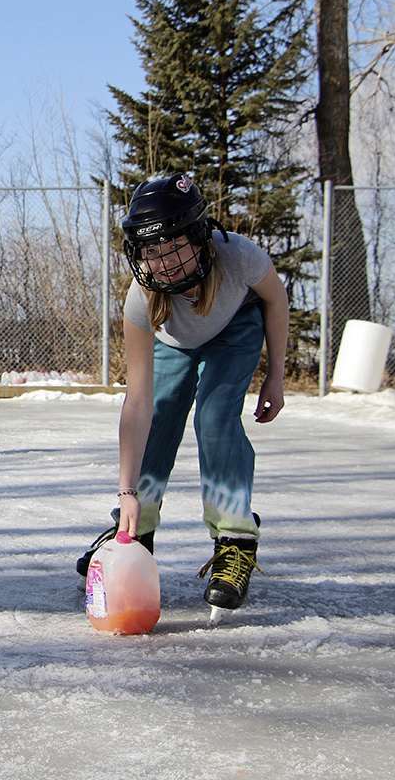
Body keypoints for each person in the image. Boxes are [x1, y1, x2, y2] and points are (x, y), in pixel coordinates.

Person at [76, 174, 288, 616]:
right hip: (174, 342)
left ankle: (235, 539)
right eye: (151, 251)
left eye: (173, 245)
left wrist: (276, 377)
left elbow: (276, 300)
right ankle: (136, 529)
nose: (164, 261)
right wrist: (126, 493)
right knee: (161, 412)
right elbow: (137, 404)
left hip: (235, 329)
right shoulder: (141, 297)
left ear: (199, 236)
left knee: (214, 418)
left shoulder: (239, 256)